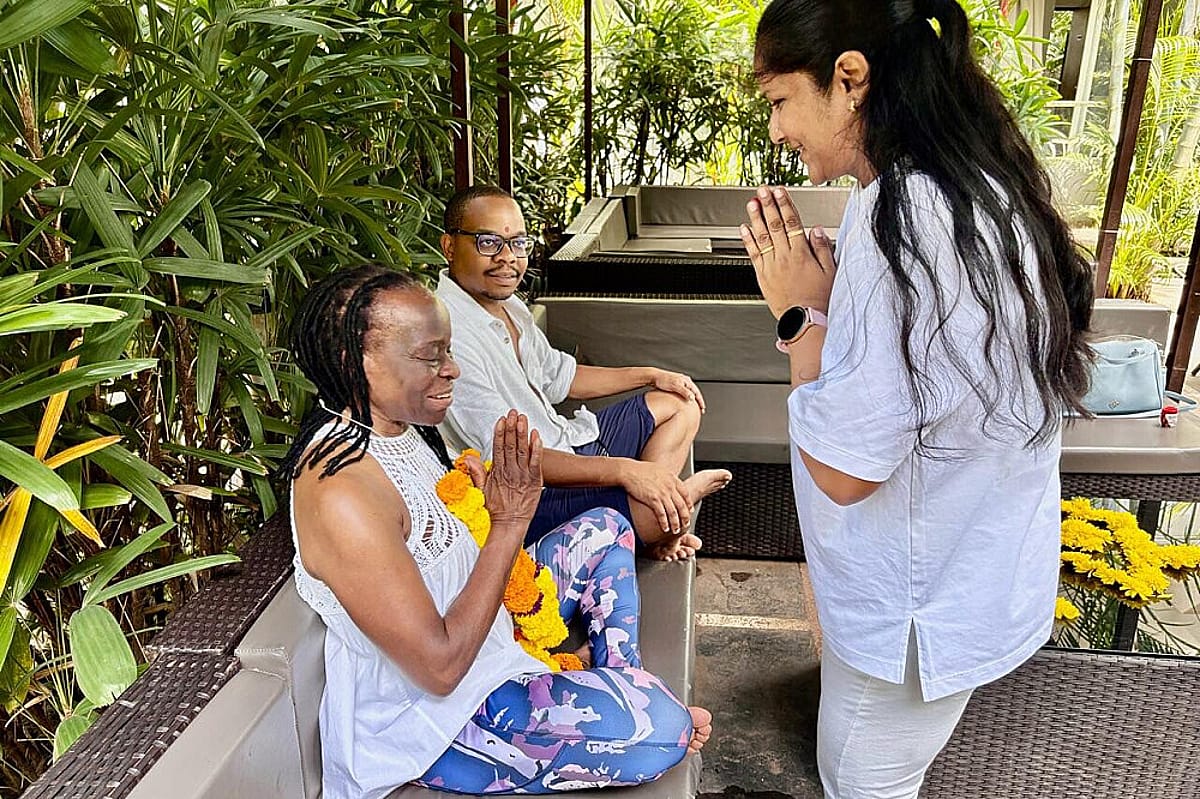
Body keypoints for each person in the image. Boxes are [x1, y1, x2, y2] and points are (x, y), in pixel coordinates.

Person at [740, 1, 1094, 797]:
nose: (777, 129)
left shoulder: (900, 222)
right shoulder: (968, 192)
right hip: (963, 575)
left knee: (858, 780)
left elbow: (845, 471)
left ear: (850, 78)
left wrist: (800, 317)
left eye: (779, 99)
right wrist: (837, 304)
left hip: (910, 612)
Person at [277, 265, 711, 799]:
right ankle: (624, 693)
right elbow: (439, 668)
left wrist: (484, 507)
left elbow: (440, 551)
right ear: (354, 361)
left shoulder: (397, 430)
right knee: (665, 729)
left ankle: (623, 676)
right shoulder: (340, 490)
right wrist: (508, 521)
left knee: (606, 528)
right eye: (430, 356)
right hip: (438, 721)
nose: (452, 369)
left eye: (448, 351)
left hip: (490, 635)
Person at [435, 186, 732, 562]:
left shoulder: (508, 305)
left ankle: (658, 513)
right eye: (489, 242)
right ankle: (664, 515)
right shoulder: (447, 334)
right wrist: (624, 471)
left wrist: (651, 375)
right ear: (450, 246)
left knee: (679, 402)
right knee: (647, 506)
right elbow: (515, 459)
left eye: (518, 243)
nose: (507, 257)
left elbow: (563, 376)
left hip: (568, 444)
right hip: (527, 496)